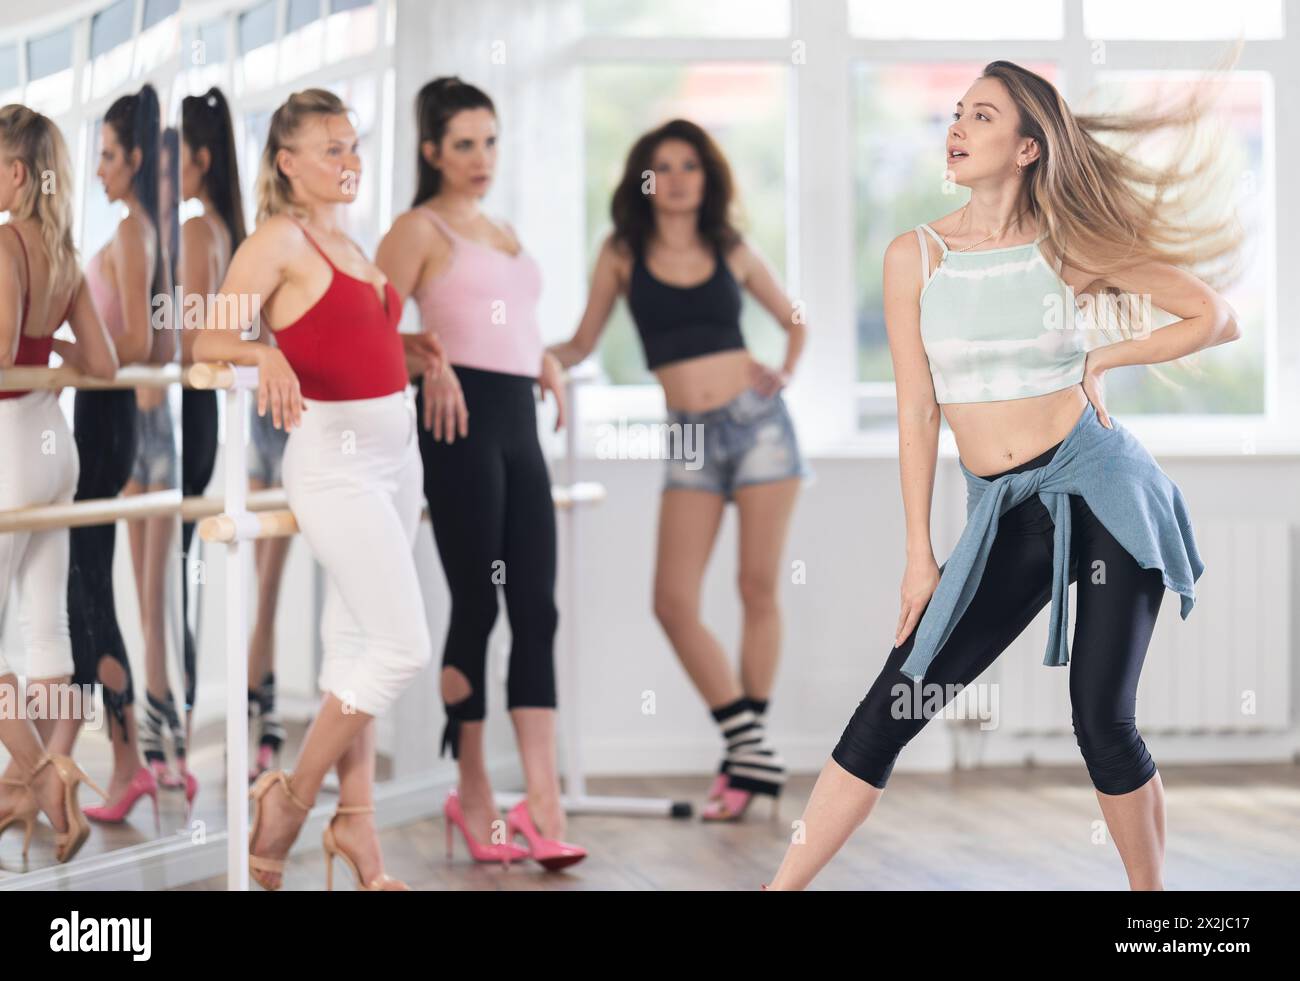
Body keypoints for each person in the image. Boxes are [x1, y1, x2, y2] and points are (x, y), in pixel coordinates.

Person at [766, 61, 1241, 891]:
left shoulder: (1072, 246)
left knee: (1102, 719)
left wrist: (1106, 353)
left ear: (1027, 147)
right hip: (1003, 513)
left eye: (981, 116)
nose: (957, 126)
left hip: (1101, 491)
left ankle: (1155, 911)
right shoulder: (915, 256)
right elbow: (918, 413)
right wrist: (919, 550)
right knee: (895, 703)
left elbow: (1214, 315)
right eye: (956, 112)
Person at [193, 87, 445, 891]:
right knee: (403, 646)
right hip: (333, 462)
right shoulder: (279, 238)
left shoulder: (351, 239)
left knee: (357, 649)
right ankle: (290, 804)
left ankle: (359, 832)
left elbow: (350, 342)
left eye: (353, 144)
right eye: (330, 148)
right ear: (287, 163)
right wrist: (260, 353)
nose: (349, 161)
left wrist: (415, 350)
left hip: (395, 459)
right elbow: (206, 333)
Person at [547, 118, 811, 821]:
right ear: (643, 178)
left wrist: (784, 370)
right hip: (689, 438)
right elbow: (579, 341)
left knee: (757, 587)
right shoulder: (621, 253)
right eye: (660, 166)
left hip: (760, 431)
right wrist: (537, 358)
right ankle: (749, 744)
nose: (675, 178)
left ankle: (742, 764)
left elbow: (797, 316)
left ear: (706, 176)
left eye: (689, 165)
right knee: (672, 601)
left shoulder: (732, 247)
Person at [375, 76, 584, 869]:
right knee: (478, 605)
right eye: (463, 144)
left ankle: (544, 801)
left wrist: (548, 363)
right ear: (431, 150)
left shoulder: (501, 229)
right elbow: (366, 336)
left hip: (519, 425)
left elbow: (514, 325)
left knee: (538, 609)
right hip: (456, 426)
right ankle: (473, 793)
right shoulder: (416, 228)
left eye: (490, 141)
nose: (480, 158)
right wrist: (423, 356)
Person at [0, 103, 118, 866]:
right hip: (53, 447)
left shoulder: (7, 244)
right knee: (47, 632)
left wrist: (42, 359)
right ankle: (39, 779)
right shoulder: (63, 252)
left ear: (13, 173)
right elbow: (104, 366)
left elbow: (1, 360)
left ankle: (38, 777)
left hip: (8, 446)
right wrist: (62, 354)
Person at [53, 83, 171, 828]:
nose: (98, 170)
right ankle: (102, 758)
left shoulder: (133, 232)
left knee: (87, 588)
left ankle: (123, 761)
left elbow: (135, 348)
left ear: (133, 159)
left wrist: (66, 346)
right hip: (103, 417)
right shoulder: (142, 229)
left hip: (106, 418)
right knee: (86, 587)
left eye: (105, 156)